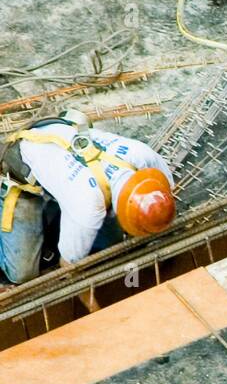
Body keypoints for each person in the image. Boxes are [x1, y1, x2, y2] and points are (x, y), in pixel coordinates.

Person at [0, 111, 175, 285]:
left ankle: (59, 213)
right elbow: (68, 268)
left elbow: (164, 202)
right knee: (21, 274)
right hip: (20, 169)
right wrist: (96, 310)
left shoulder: (145, 157)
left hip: (60, 144)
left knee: (109, 246)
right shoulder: (87, 207)